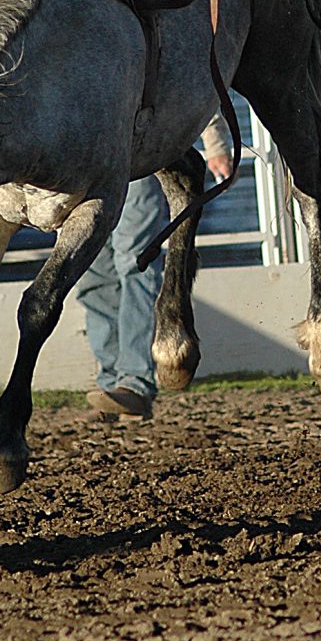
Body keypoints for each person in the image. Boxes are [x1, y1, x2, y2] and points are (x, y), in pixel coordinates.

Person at [78, 118, 233, 422]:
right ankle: (111, 387)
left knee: (135, 261)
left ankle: (133, 383)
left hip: (137, 152)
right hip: (83, 157)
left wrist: (214, 143)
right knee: (92, 273)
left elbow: (188, 73)